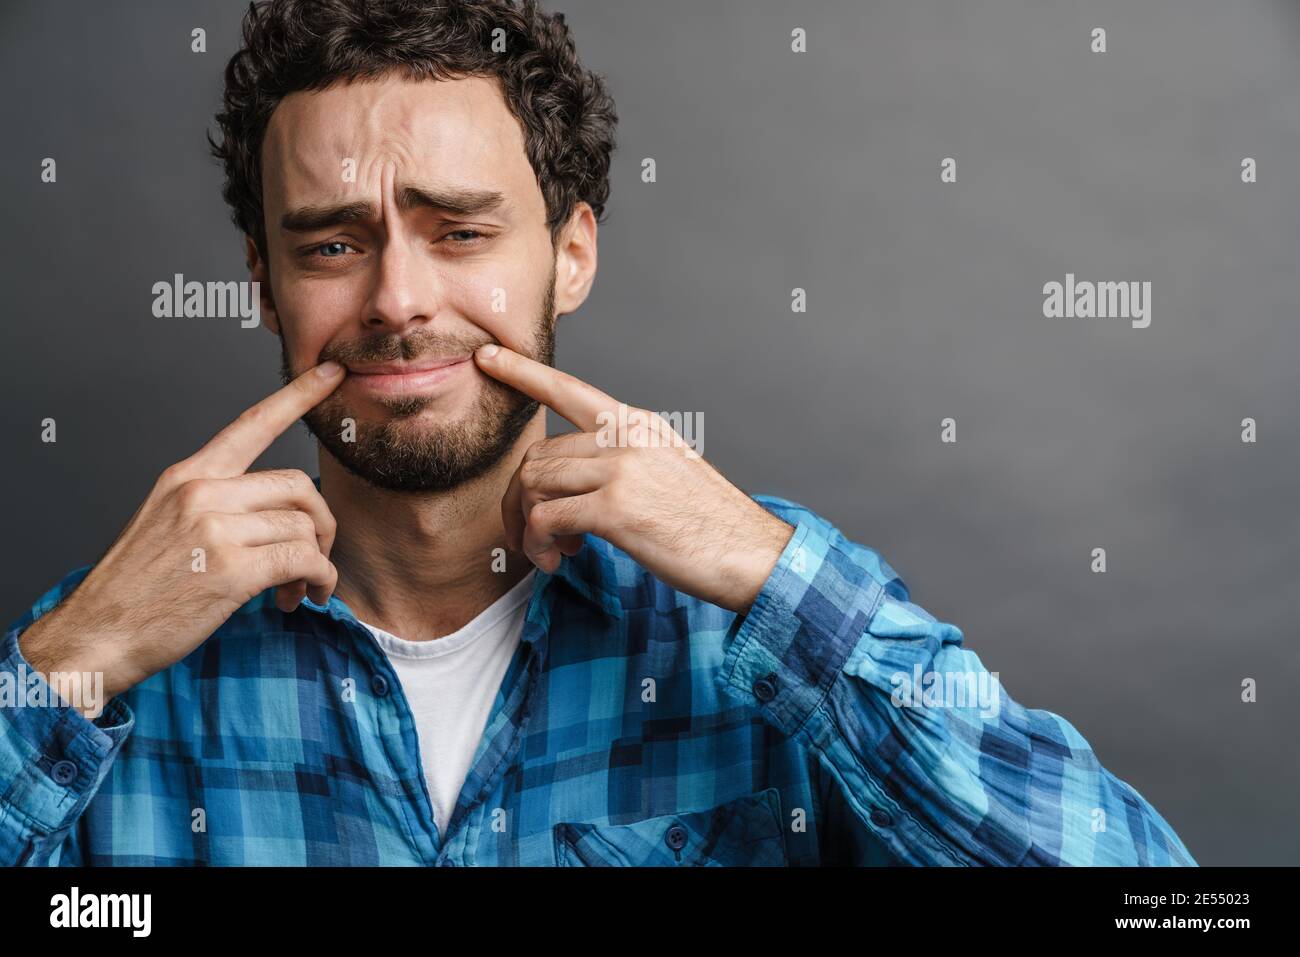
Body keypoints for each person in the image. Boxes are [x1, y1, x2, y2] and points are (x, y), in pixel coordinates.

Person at [0, 0, 1194, 866]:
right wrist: (66, 661)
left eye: (460, 232)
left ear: (570, 256)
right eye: (331, 244)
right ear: (264, 283)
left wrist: (776, 579)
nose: (399, 301)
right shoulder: (116, 652)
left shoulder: (750, 629)